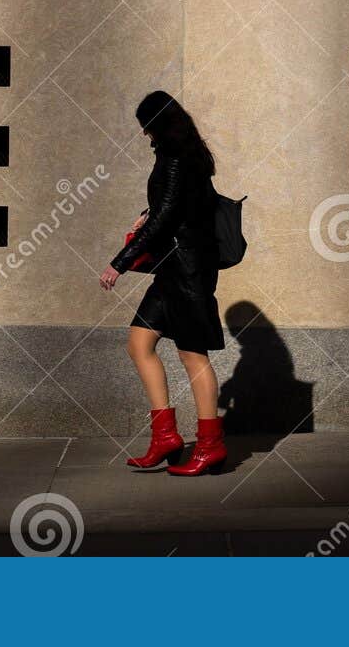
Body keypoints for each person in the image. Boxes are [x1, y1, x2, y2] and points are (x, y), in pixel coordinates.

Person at [99, 91, 227, 475]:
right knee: (139, 343)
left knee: (193, 355)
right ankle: (165, 436)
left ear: (159, 126)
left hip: (187, 271)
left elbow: (167, 218)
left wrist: (119, 264)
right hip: (173, 269)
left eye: (146, 127)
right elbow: (176, 207)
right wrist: (148, 212)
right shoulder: (184, 155)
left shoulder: (175, 159)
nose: (144, 135)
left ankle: (210, 446)